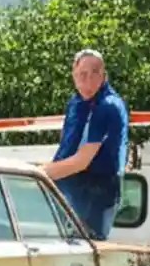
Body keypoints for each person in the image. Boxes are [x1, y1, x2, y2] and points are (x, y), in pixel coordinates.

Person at [41, 48, 129, 240]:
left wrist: (37, 175)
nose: (88, 81)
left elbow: (82, 161)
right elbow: (66, 147)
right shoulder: (76, 103)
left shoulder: (107, 106)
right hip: (69, 186)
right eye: (82, 74)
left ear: (104, 76)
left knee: (84, 252)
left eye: (94, 74)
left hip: (96, 190)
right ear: (73, 74)